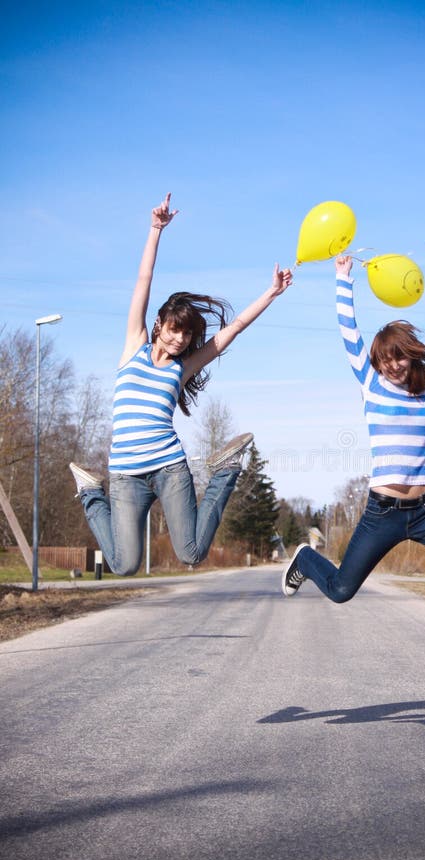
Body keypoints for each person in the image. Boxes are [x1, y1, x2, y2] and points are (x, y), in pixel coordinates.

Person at [282, 254, 425, 624]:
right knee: (341, 590)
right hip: (382, 513)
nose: (392, 366)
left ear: (411, 356)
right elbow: (348, 330)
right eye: (385, 360)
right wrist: (343, 279)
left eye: (399, 358)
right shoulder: (370, 382)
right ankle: (305, 560)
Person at [70, 193, 292, 576]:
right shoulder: (134, 345)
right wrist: (155, 230)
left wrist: (271, 293)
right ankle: (91, 491)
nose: (179, 339)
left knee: (190, 553)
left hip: (168, 468)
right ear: (159, 324)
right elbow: (144, 281)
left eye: (187, 335)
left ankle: (225, 470)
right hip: (124, 475)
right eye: (175, 330)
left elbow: (233, 330)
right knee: (124, 564)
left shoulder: (181, 368)